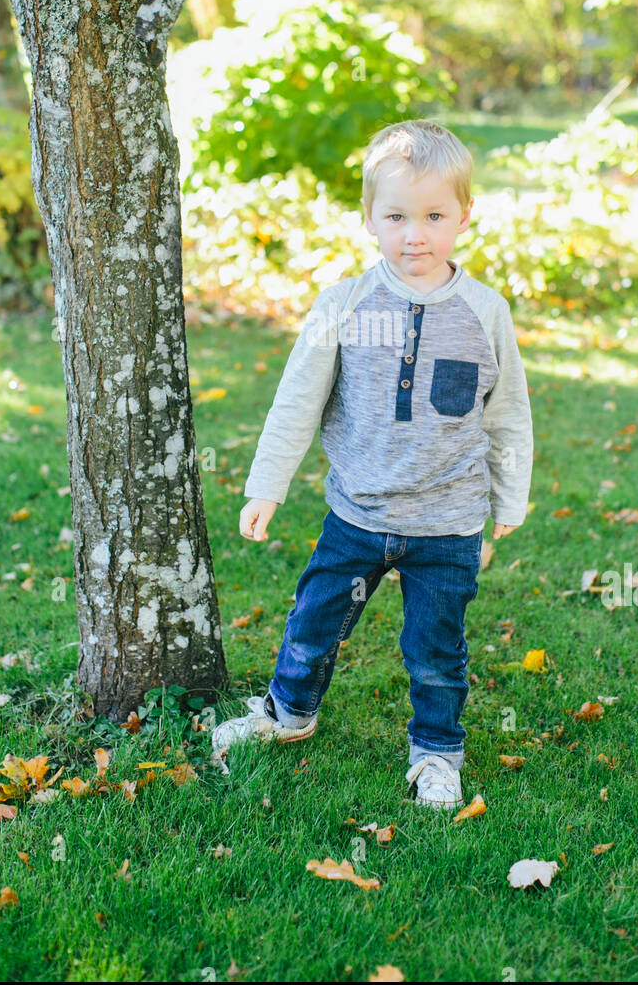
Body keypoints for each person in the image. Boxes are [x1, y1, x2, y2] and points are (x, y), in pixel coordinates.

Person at [212, 119, 533, 809]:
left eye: (434, 216)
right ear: (369, 219)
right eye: (396, 216)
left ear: (464, 217)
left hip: (448, 526)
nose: (414, 233)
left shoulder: (484, 312)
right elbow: (297, 401)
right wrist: (267, 485)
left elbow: (506, 413)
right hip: (357, 515)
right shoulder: (345, 305)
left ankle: (438, 753)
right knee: (314, 623)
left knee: (436, 650)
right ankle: (290, 712)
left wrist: (508, 502)